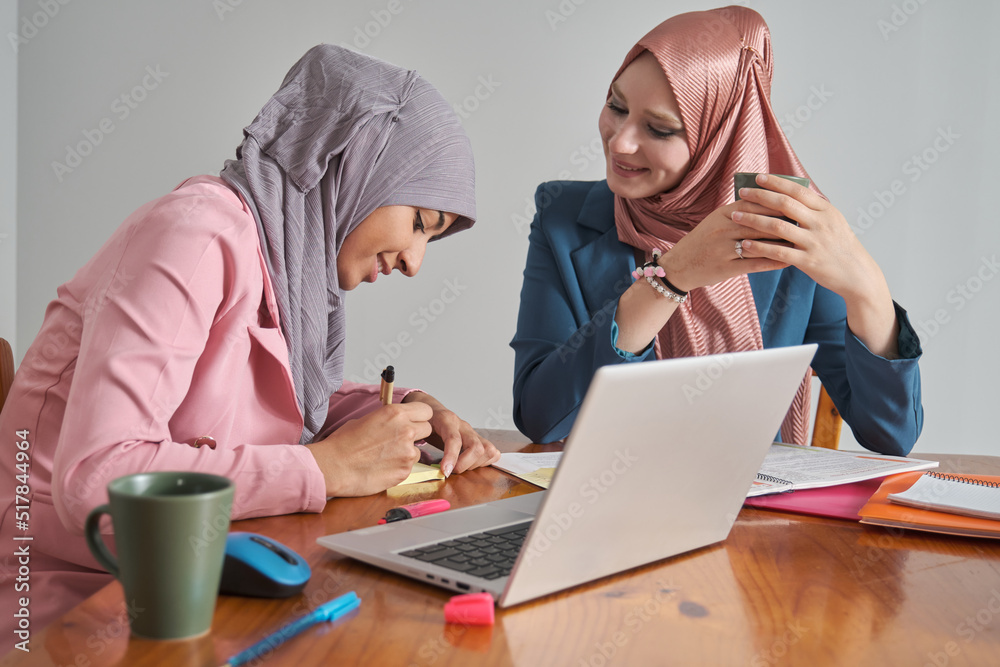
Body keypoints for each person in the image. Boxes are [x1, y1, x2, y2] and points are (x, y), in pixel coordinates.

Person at [0, 45, 499, 635]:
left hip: (185, 578)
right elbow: (98, 479)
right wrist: (323, 469)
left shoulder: (284, 261)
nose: (415, 262)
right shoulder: (195, 236)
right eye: (419, 222)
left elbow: (263, 397)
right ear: (354, 163)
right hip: (70, 598)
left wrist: (415, 409)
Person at [510, 7, 923, 455]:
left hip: (755, 494)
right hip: (603, 489)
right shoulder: (563, 217)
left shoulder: (782, 229)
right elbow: (541, 416)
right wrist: (672, 276)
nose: (620, 141)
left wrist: (868, 289)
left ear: (721, 137)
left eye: (660, 129)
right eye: (616, 106)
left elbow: (890, 434)